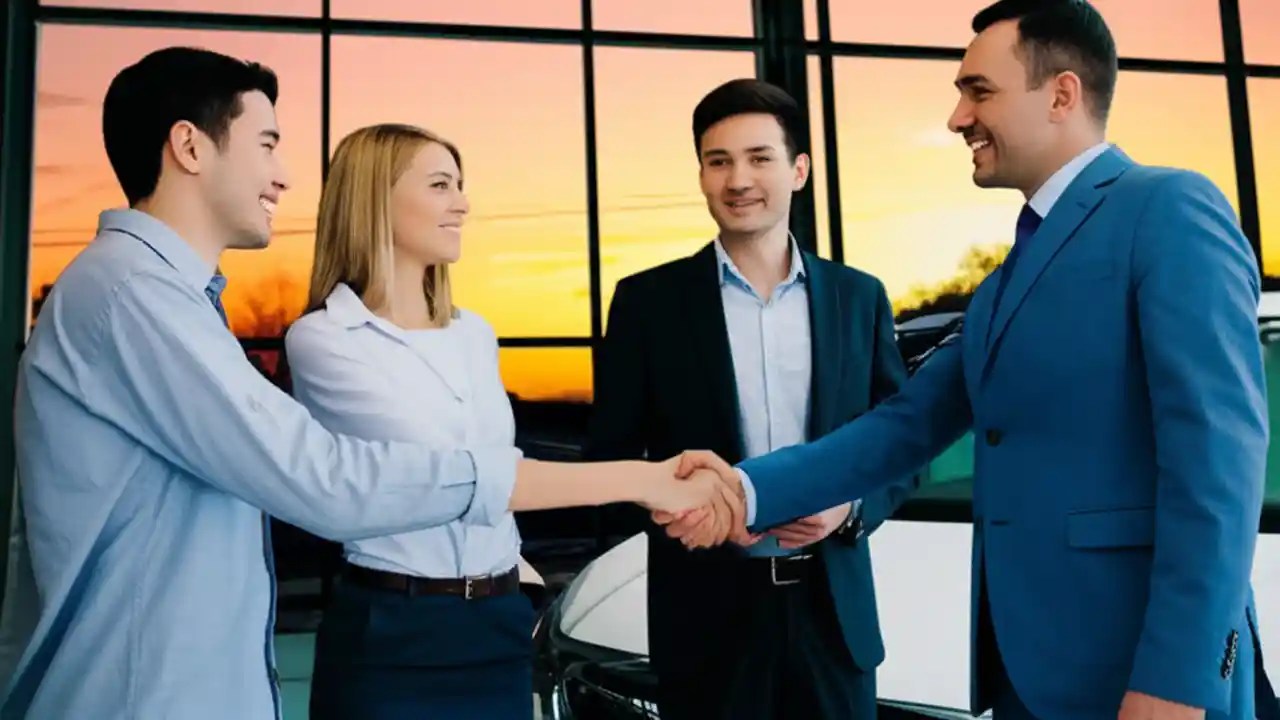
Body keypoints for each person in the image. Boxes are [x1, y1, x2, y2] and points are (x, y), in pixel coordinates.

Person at [0, 47, 722, 720]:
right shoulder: (134, 296)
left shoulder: (164, 298)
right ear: (190, 147)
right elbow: (325, 481)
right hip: (141, 696)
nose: (282, 175)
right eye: (266, 145)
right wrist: (637, 478)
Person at [667, 2, 1276, 720]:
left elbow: (1219, 465)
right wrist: (743, 488)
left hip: (1143, 678)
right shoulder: (1003, 285)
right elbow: (903, 426)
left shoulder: (1168, 209)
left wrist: (1179, 680)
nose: (958, 118)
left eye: (978, 92)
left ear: (1062, 95)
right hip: (1026, 672)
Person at [585, 78, 919, 720]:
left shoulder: (859, 298)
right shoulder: (647, 304)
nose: (738, 179)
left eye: (759, 158)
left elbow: (900, 445)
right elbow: (611, 458)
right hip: (707, 623)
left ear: (799, 171)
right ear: (702, 176)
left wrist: (848, 507)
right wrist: (682, 507)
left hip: (833, 620)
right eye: (719, 161)